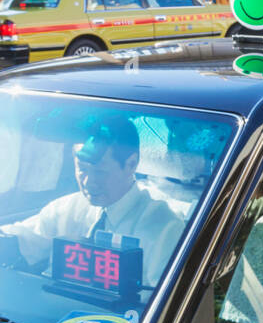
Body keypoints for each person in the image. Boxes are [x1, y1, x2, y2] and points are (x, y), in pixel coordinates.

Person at [0, 116, 184, 290]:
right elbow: (21, 238)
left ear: (131, 163)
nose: (88, 182)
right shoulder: (66, 209)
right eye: (82, 169)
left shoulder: (164, 229)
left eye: (100, 172)